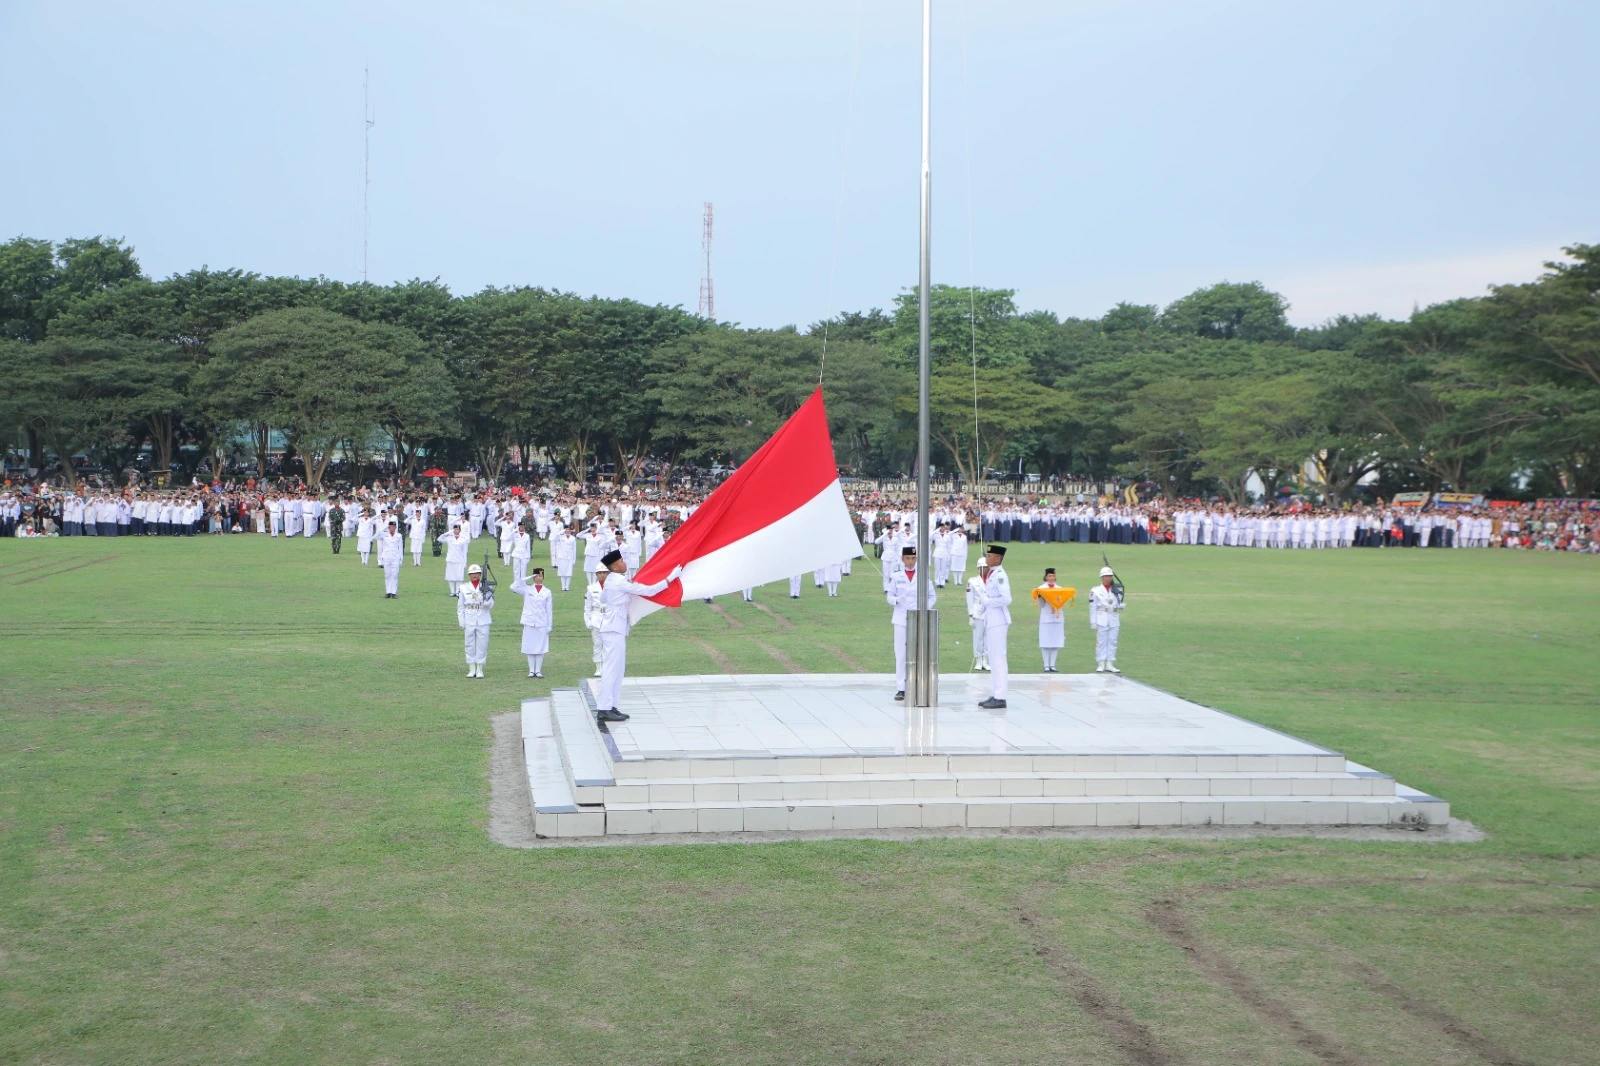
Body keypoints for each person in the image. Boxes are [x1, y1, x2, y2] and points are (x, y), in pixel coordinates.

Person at [594, 550, 682, 723]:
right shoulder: (618, 581)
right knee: (612, 669)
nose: (624, 562)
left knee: (618, 670)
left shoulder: (612, 580)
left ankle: (611, 706)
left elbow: (604, 599)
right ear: (614, 567)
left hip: (615, 627)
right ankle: (604, 708)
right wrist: (670, 577)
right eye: (621, 561)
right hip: (613, 628)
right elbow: (649, 591)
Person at [885, 545, 936, 701]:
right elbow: (889, 597)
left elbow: (932, 596)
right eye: (908, 558)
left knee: (918, 652)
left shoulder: (923, 576)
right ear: (902, 559)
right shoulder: (896, 576)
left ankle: (917, 684)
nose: (911, 561)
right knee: (900, 653)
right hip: (900, 618)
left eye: (913, 558)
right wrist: (896, 600)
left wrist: (924, 608)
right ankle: (901, 687)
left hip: (917, 617)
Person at [978, 545, 1012, 709]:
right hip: (992, 619)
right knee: (993, 657)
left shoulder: (1000, 575)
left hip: (998, 619)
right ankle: (995, 692)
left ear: (998, 558)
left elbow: (1006, 599)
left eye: (990, 556)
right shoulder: (991, 573)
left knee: (998, 658)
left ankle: (1000, 696)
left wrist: (988, 602)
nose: (987, 558)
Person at [508, 566, 554, 678]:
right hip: (529, 621)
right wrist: (527, 578)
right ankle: (531, 670)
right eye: (536, 576)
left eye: (541, 576)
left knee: (540, 647)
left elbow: (549, 609)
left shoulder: (547, 592)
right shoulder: (527, 589)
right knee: (530, 646)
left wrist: (549, 625)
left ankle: (538, 670)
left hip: (541, 621)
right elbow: (513, 587)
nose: (539, 578)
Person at [457, 563, 494, 677]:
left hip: (483, 617)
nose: (474, 576)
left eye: (476, 573)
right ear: (469, 575)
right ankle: (471, 668)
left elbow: (491, 601)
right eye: (472, 574)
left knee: (482, 644)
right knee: (469, 644)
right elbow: (460, 606)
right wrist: (461, 620)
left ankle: (480, 668)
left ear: (480, 574)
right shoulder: (463, 587)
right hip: (469, 617)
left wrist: (488, 604)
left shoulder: (486, 586)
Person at [1089, 565, 1125, 673]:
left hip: (1113, 617)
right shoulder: (1095, 591)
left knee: (1112, 641)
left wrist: (1121, 606)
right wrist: (1093, 622)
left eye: (1110, 576)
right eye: (1106, 576)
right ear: (1102, 577)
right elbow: (1092, 607)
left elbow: (1118, 603)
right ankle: (1101, 663)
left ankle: (1110, 663)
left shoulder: (1116, 589)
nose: (1108, 578)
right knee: (1101, 641)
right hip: (1101, 617)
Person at [1033, 567, 1069, 672]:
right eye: (1049, 576)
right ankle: (1046, 665)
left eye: (1053, 576)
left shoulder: (1060, 588)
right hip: (1046, 617)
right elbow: (1041, 605)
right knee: (1045, 642)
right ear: (1046, 577)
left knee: (1055, 642)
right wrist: (1040, 597)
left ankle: (1052, 665)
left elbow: (1061, 602)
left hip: (1057, 618)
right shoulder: (1041, 588)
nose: (1052, 578)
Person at [966, 563, 990, 671]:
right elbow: (969, 598)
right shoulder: (972, 581)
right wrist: (970, 615)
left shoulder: (992, 580)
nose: (984, 569)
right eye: (982, 567)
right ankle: (978, 660)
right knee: (978, 638)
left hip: (990, 612)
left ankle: (986, 660)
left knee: (988, 638)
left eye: (986, 567)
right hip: (978, 612)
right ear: (978, 568)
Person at [582, 572, 605, 677]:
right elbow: (587, 606)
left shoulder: (612, 586)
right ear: (596, 574)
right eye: (600, 573)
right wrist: (587, 620)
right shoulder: (591, 588)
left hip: (609, 617)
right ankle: (598, 668)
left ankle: (606, 667)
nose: (603, 575)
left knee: (608, 645)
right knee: (597, 644)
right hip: (596, 617)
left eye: (605, 573)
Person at [377, 517, 404, 598]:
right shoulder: (384, 535)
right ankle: (388, 592)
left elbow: (400, 548)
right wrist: (383, 528)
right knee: (387, 574)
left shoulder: (398, 535)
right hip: (386, 556)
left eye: (393, 527)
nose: (392, 528)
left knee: (395, 575)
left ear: (395, 527)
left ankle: (394, 592)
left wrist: (401, 559)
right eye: (390, 527)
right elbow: (376, 537)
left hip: (395, 557)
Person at [443, 520, 470, 596]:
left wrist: (465, 562)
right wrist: (449, 532)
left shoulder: (463, 539)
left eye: (458, 529)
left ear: (460, 530)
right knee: (450, 576)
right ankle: (452, 592)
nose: (456, 531)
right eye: (455, 529)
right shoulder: (449, 538)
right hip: (451, 559)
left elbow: (465, 552)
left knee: (459, 577)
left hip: (459, 560)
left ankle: (458, 592)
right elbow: (440, 539)